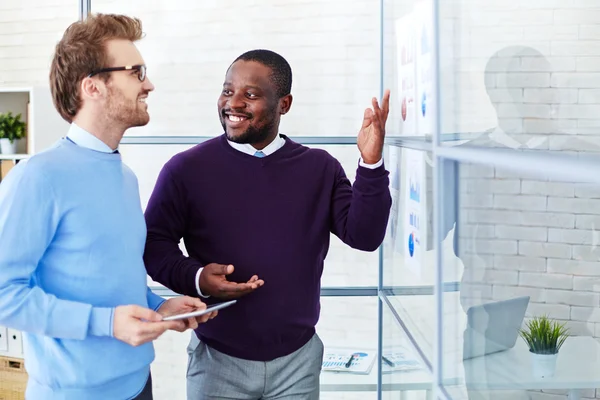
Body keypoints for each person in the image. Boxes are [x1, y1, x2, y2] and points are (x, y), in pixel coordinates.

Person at [143, 49, 392, 399]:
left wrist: (370, 164)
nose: (234, 103)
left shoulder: (320, 168)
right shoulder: (185, 169)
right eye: (228, 91)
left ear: (284, 104)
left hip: (298, 363)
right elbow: (154, 244)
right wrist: (197, 277)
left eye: (251, 94)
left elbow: (365, 236)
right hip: (217, 362)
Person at [0, 13, 214, 400]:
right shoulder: (37, 178)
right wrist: (108, 323)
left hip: (138, 384)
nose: (148, 83)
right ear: (93, 87)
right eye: (136, 72)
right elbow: (4, 295)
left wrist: (159, 305)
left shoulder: (124, 177)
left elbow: (110, 279)